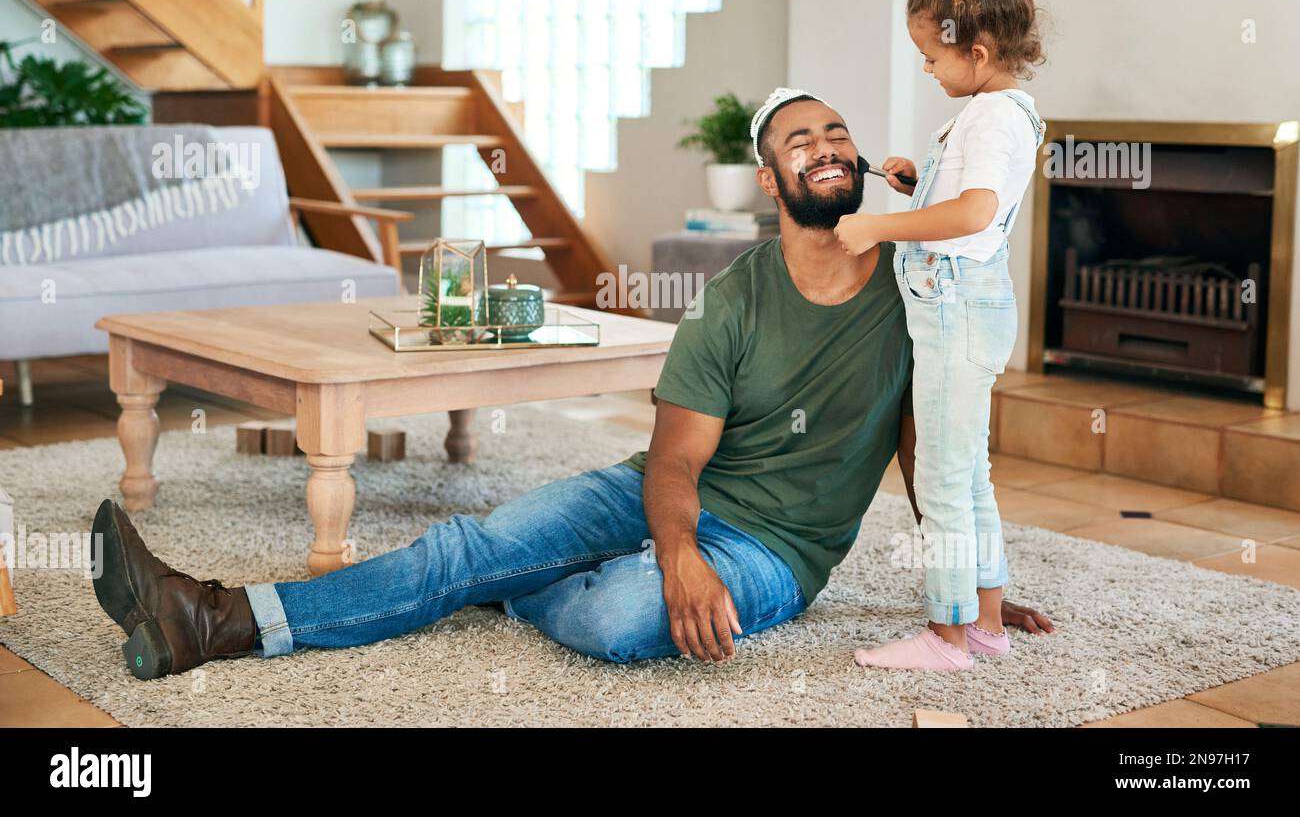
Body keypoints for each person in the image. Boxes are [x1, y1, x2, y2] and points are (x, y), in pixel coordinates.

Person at [91, 87, 1053, 681]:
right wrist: (679, 549)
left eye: (837, 131)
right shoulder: (732, 300)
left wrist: (972, 585)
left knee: (617, 616)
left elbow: (932, 446)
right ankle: (215, 617)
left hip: (779, 552)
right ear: (771, 181)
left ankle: (510, 581)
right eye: (800, 140)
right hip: (664, 496)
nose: (828, 147)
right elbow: (673, 462)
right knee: (466, 545)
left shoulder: (915, 288)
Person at [835, 0, 1047, 671]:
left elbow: (974, 213)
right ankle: (985, 622)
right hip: (967, 305)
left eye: (931, 55)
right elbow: (962, 199)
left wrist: (876, 227)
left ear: (976, 52)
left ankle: (947, 637)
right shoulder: (1002, 110)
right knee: (966, 470)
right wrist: (914, 183)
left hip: (957, 310)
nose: (925, 68)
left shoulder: (990, 116)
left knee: (943, 478)